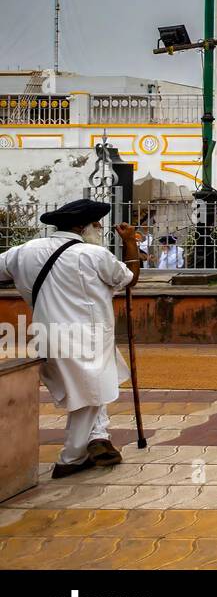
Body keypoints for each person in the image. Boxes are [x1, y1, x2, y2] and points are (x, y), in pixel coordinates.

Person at [0, 199, 140, 478]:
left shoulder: (24, 251)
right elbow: (130, 277)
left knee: (92, 388)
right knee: (90, 394)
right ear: (80, 226)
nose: (100, 228)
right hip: (87, 339)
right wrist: (130, 242)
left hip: (46, 336)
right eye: (96, 223)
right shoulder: (93, 255)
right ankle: (71, 458)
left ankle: (98, 437)